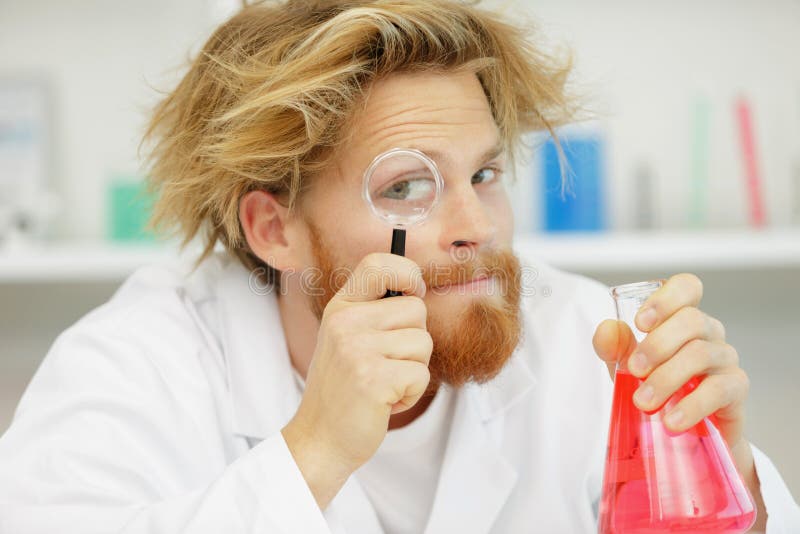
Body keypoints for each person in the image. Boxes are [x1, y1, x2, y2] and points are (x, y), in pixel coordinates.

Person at [0, 1, 797, 532]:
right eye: (407, 186)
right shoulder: (133, 366)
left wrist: (729, 497)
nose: (476, 226)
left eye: (484, 175)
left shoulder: (589, 343)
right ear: (273, 227)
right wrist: (311, 452)